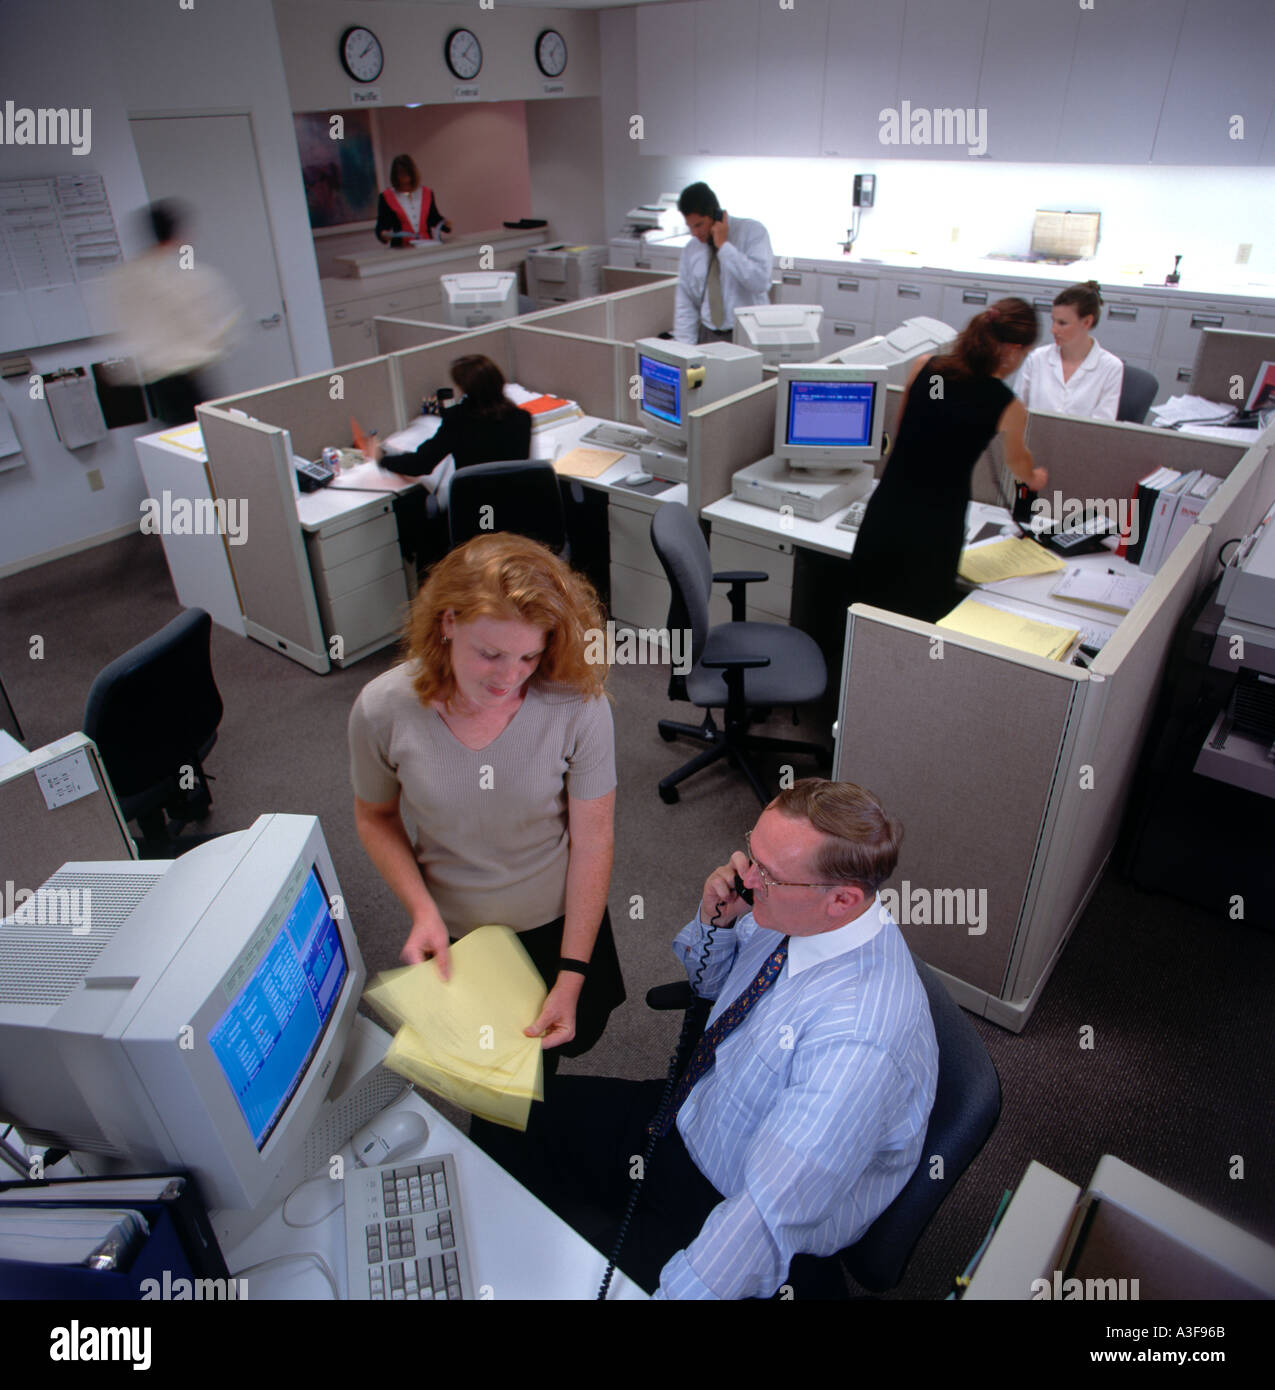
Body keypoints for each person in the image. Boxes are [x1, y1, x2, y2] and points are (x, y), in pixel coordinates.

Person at [473, 778, 939, 1299]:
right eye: (750, 855)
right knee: (502, 1116)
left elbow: (763, 1218)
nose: (745, 877)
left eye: (765, 873)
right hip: (690, 1113)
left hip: (728, 1200)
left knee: (573, 1286)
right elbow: (707, 987)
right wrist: (715, 918)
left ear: (843, 899)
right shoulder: (788, 908)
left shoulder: (860, 1044)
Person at [348, 533, 623, 1062]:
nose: (510, 677)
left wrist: (571, 974)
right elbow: (375, 817)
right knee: (486, 1076)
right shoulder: (382, 709)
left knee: (562, 1049)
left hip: (558, 921)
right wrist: (421, 909)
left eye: (529, 655)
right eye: (490, 654)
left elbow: (594, 842)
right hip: (457, 933)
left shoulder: (577, 705)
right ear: (448, 622)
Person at [844, 297, 1049, 623]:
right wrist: (1035, 478)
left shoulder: (927, 367)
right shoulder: (1007, 405)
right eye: (1024, 353)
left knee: (866, 614)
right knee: (917, 622)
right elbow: (1019, 467)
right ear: (1011, 349)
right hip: (936, 529)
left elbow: (905, 435)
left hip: (886, 515)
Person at [104, 200, 241, 426]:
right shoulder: (182, 274)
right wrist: (217, 344)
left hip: (154, 379)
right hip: (186, 376)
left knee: (175, 442)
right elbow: (214, 326)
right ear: (177, 233)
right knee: (208, 438)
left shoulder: (126, 277)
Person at [378, 355, 532, 477]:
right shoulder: (522, 418)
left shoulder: (458, 421)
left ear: (466, 389)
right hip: (514, 506)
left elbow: (421, 464)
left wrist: (381, 459)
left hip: (479, 509)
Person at [672, 181, 773, 345]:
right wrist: (684, 349)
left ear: (715, 214)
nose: (695, 233)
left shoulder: (752, 232)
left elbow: (760, 282)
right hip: (708, 335)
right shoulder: (691, 249)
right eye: (690, 227)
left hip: (747, 336)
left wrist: (724, 247)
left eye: (699, 225)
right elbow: (686, 303)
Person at [1015, 281, 1124, 421]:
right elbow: (1015, 413)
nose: (1053, 329)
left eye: (1062, 323)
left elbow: (1102, 429)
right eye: (1053, 321)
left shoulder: (1111, 367)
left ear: (1087, 322)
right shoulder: (1037, 359)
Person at [375, 154, 451, 247]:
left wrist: (445, 224)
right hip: (402, 249)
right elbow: (382, 226)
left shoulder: (427, 193)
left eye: (406, 172)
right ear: (395, 175)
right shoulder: (386, 196)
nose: (404, 176)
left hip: (427, 245)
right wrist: (383, 234)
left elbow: (433, 218)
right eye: (400, 173)